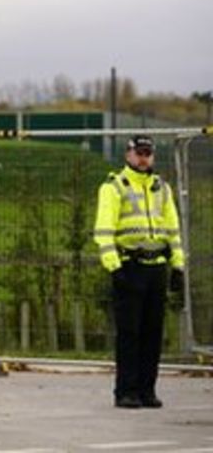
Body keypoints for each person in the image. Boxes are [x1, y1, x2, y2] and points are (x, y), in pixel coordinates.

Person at [94, 135, 185, 409]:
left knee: (153, 333)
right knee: (129, 334)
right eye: (139, 152)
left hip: (156, 268)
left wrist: (178, 266)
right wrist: (114, 267)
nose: (143, 158)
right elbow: (103, 230)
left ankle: (147, 390)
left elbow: (173, 229)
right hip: (129, 267)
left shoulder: (162, 188)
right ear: (128, 155)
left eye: (148, 153)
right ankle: (126, 391)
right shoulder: (114, 187)